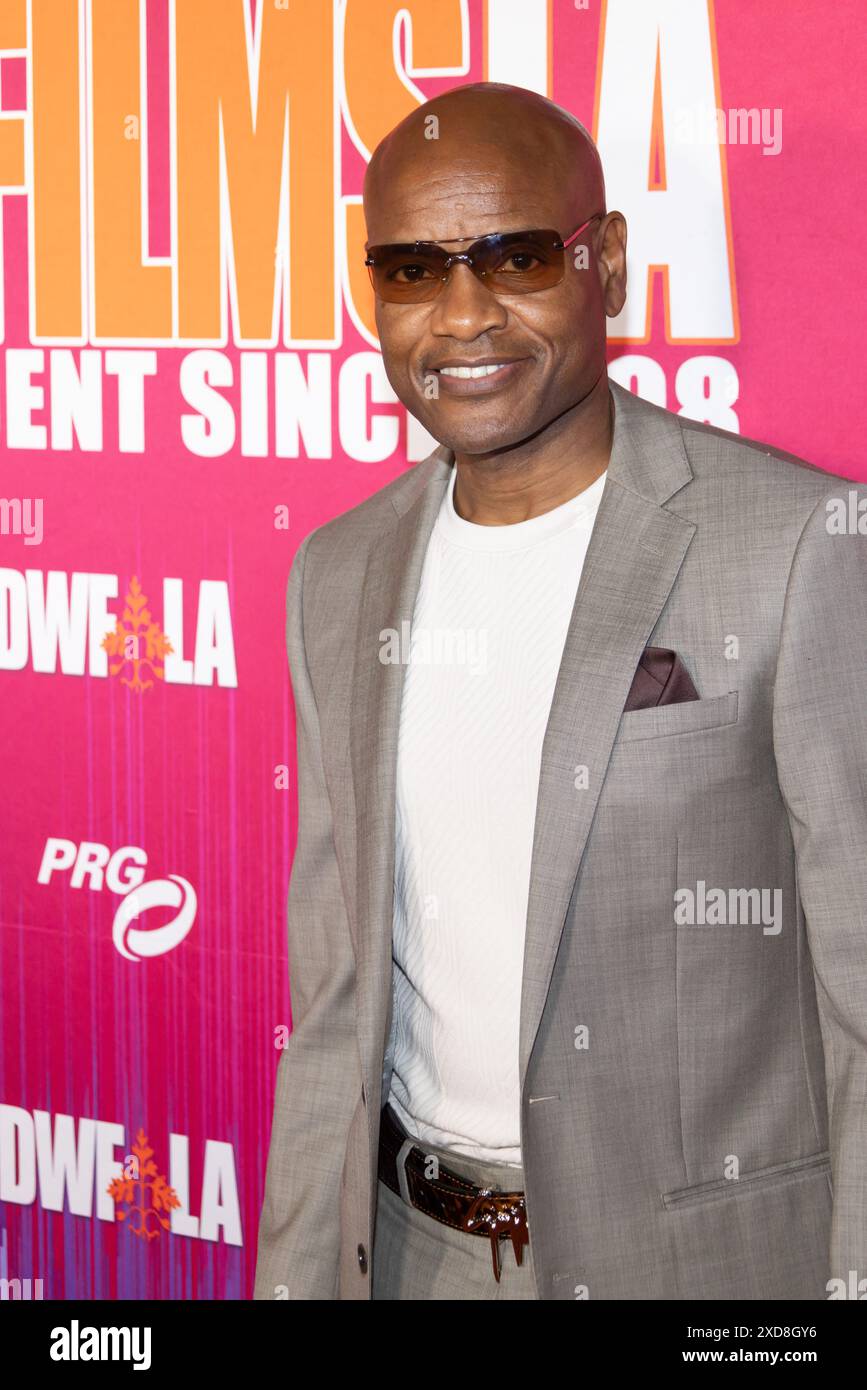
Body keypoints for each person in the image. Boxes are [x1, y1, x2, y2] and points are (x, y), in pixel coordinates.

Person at [254, 82, 867, 1301]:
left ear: (611, 264)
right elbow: (331, 1010)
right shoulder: (337, 573)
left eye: (516, 256)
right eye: (413, 270)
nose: (463, 316)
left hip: (703, 1273)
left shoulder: (799, 545)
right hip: (410, 1251)